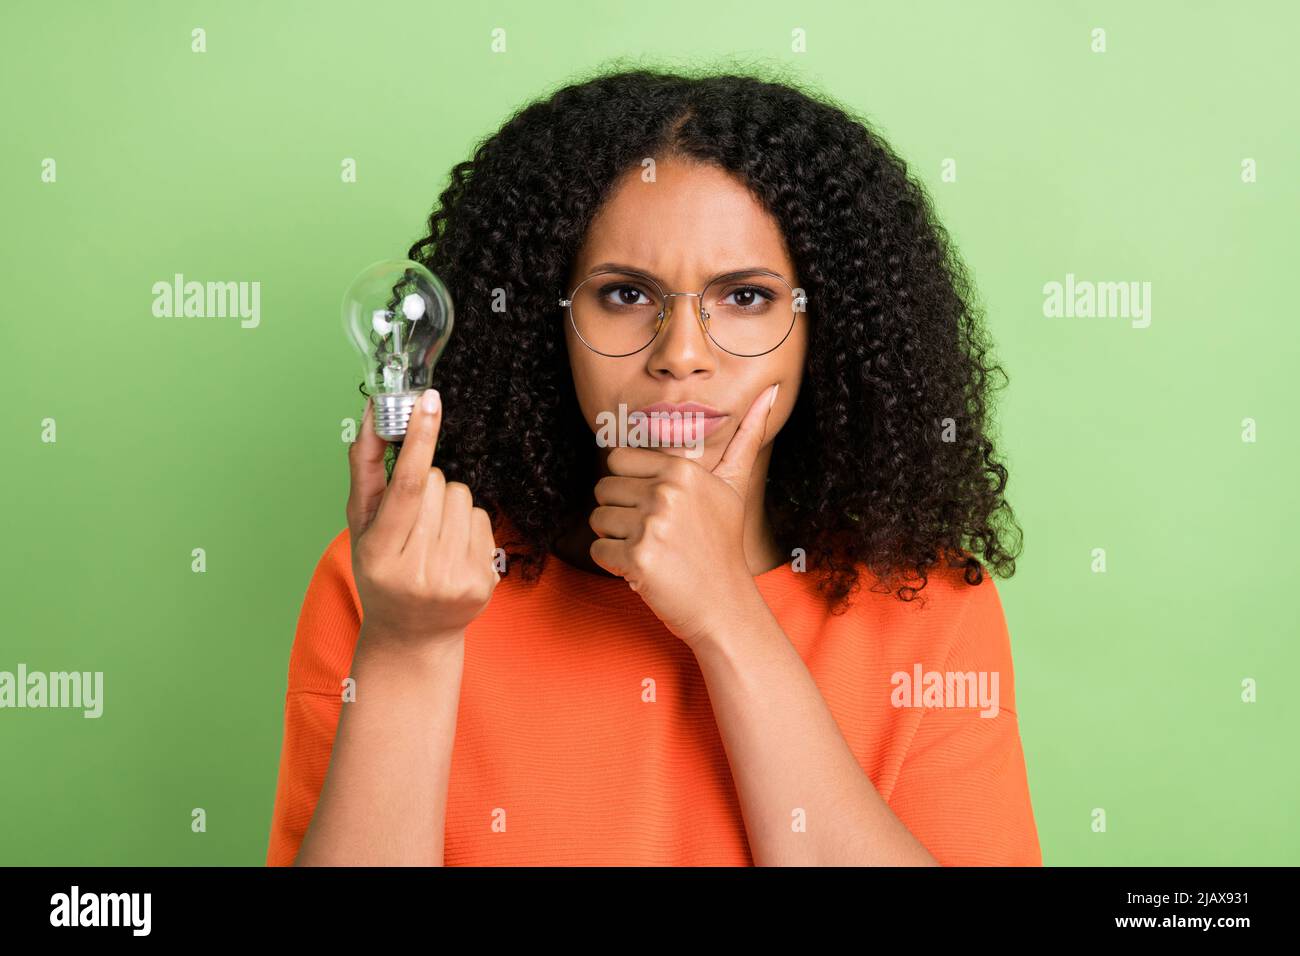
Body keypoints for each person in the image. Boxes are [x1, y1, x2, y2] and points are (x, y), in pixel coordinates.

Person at [266, 67, 1039, 866]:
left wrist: (729, 618)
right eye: (625, 295)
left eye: (744, 298)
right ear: (547, 323)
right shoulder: (402, 585)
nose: (681, 355)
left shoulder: (929, 607)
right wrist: (407, 649)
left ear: (827, 329)